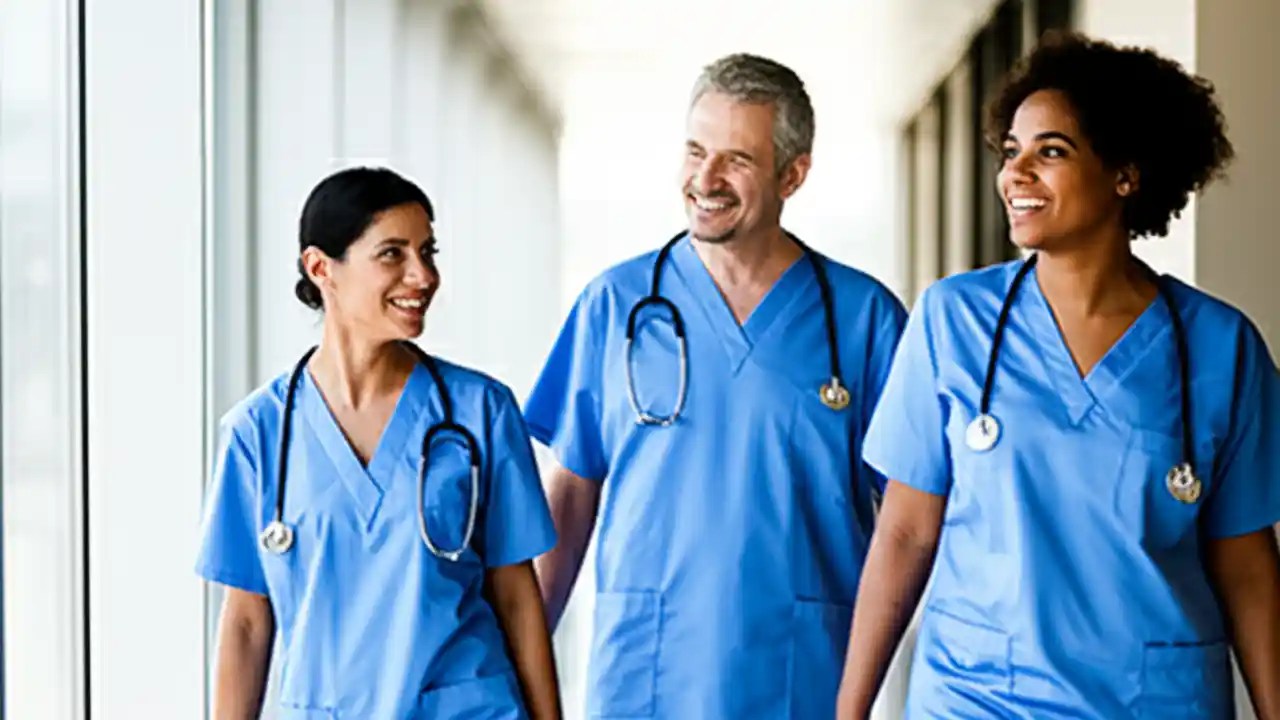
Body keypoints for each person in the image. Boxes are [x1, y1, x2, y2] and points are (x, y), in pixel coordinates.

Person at [837, 32, 1280, 719]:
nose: (1016, 174)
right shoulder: (953, 321)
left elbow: (1246, 559)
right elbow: (905, 532)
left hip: (1151, 701)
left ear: (1126, 174)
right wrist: (850, 709)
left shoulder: (1221, 347)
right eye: (1011, 151)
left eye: (1051, 152)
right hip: (979, 696)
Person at [524, 53, 908, 718]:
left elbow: (913, 524)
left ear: (793, 174)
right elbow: (571, 496)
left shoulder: (862, 318)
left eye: (737, 159)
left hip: (800, 680)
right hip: (646, 678)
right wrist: (516, 663)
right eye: (695, 150)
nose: (706, 178)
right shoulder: (614, 305)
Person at [195, 167, 563, 719]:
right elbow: (248, 621)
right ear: (322, 269)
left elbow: (515, 594)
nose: (423, 276)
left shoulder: (481, 411)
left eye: (428, 252)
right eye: (393, 254)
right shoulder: (260, 433)